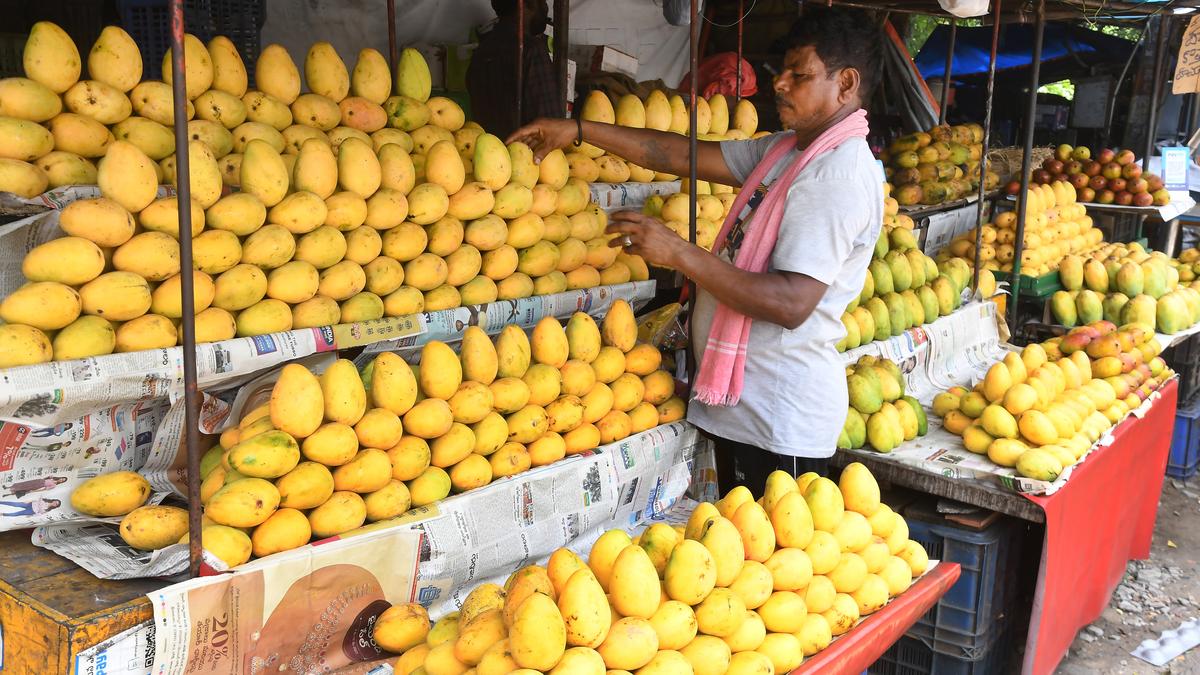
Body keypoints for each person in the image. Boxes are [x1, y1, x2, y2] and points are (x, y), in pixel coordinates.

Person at [508, 7, 883, 495]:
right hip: (748, 408)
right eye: (783, 71)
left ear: (846, 83)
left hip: (777, 418)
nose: (780, 84)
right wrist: (580, 130)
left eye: (801, 75)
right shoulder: (787, 153)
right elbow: (676, 154)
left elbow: (790, 303)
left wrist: (679, 252)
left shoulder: (834, 175)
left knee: (767, 543)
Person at [466, 0, 565, 140]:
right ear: (525, 4)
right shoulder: (531, 50)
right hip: (524, 151)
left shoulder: (481, 52)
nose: (546, 8)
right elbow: (552, 127)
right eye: (542, 1)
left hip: (486, 148)